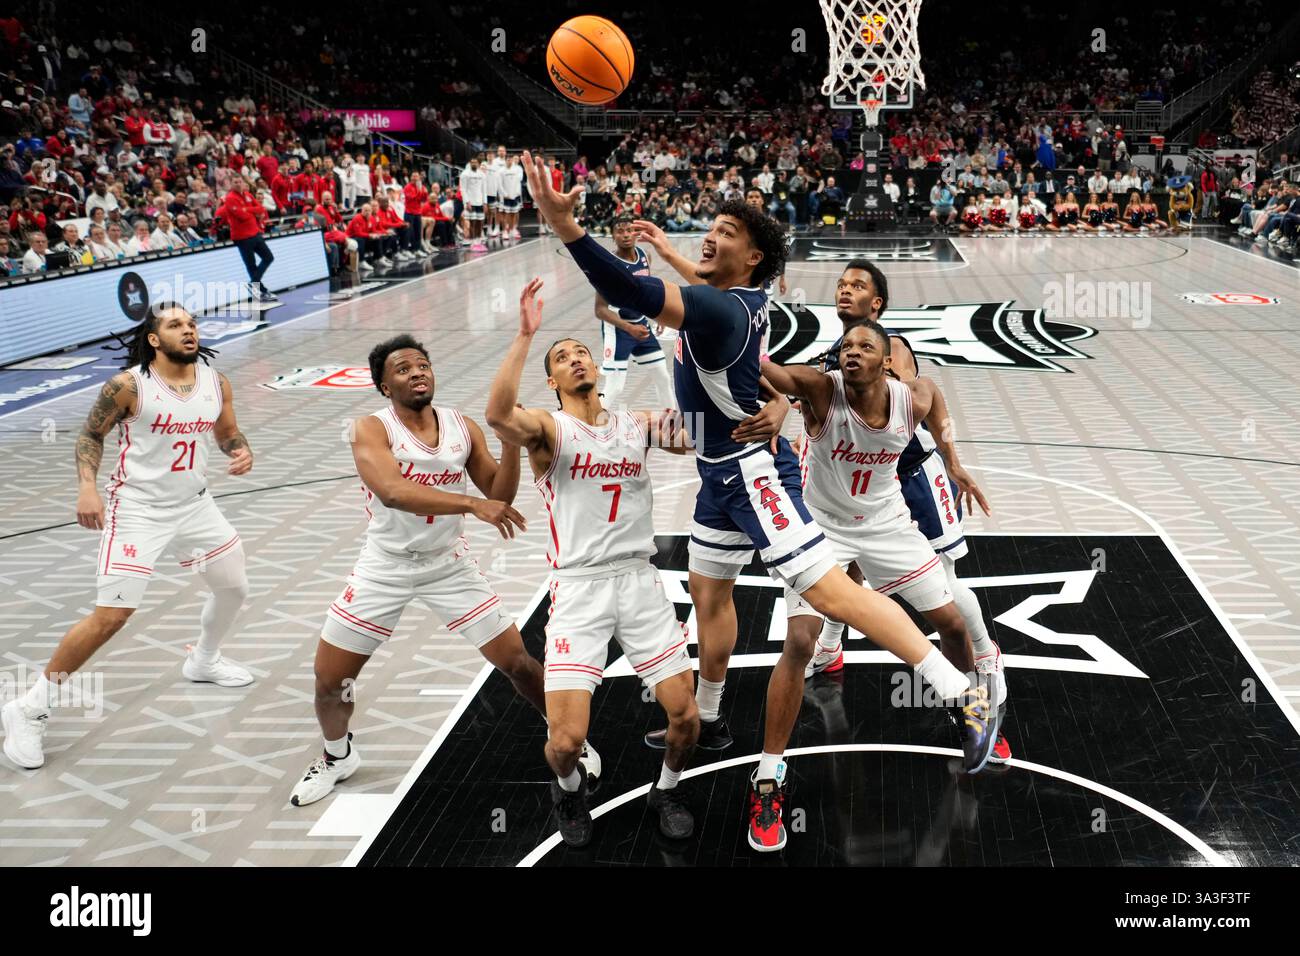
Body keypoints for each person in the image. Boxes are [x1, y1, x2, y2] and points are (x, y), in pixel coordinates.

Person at [520, 149, 995, 845]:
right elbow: (705, 320)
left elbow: (642, 294)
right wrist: (770, 398)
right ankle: (709, 714)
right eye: (708, 226)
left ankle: (961, 693)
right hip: (717, 473)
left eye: (725, 233)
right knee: (707, 591)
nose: (708, 236)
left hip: (748, 473)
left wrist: (568, 230)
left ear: (750, 261)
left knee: (830, 594)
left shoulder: (719, 308)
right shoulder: (740, 300)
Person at [289, 334, 598, 806]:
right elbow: (393, 491)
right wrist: (472, 503)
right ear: (383, 386)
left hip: (448, 565)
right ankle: (337, 757)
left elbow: (500, 495)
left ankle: (566, 735)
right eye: (403, 368)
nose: (417, 372)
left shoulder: (462, 426)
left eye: (422, 364)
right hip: (384, 567)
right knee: (330, 681)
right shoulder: (370, 429)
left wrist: (510, 446)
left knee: (517, 662)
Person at [752, 320, 1005, 851]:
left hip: (887, 525)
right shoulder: (823, 389)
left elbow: (936, 402)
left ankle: (969, 709)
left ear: (886, 361)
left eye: (866, 347)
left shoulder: (911, 397)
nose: (852, 352)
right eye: (846, 346)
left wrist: (953, 460)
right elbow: (773, 372)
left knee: (951, 623)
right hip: (821, 527)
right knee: (798, 643)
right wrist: (734, 331)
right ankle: (768, 777)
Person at [483, 279, 699, 847]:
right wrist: (526, 335)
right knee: (565, 743)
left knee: (686, 720)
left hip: (640, 583)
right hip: (579, 588)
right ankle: (569, 788)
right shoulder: (548, 431)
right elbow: (498, 413)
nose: (575, 358)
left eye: (581, 351)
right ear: (552, 381)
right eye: (562, 358)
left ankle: (667, 788)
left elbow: (704, 433)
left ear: (598, 366)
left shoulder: (638, 423)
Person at [2, 305, 255, 770]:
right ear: (155, 339)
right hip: (138, 509)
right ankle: (29, 707)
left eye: (192, 323)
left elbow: (228, 432)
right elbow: (90, 435)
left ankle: (203, 660)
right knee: (112, 616)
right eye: (176, 324)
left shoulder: (215, 382)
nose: (189, 329)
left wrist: (240, 451)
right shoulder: (127, 386)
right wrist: (86, 487)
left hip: (197, 505)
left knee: (234, 588)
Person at [593, 217, 674, 409]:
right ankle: (591, 426)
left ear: (635, 233)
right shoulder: (607, 266)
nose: (626, 235)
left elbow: (647, 292)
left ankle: (672, 423)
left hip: (641, 326)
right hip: (618, 329)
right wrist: (629, 328)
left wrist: (659, 315)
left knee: (662, 376)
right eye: (620, 231)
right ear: (613, 236)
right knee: (615, 387)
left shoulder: (644, 255)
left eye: (629, 230)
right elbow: (600, 310)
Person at [215, 176, 277, 302]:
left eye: (239, 181)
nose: (238, 184)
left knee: (268, 257)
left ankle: (253, 283)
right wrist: (251, 211)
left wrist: (247, 209)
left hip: (255, 233)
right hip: (242, 237)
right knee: (251, 265)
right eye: (235, 182)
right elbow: (242, 216)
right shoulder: (230, 198)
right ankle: (262, 291)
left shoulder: (248, 194)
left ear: (243, 183)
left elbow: (261, 209)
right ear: (231, 184)